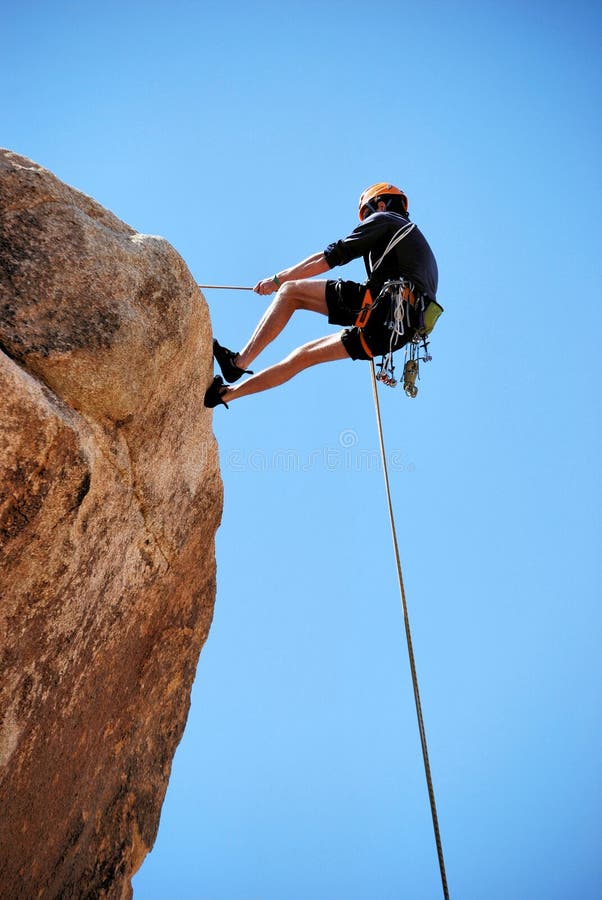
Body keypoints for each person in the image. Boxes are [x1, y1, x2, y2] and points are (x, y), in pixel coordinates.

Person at [204, 182, 439, 408]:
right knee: (303, 356)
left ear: (380, 204)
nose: (366, 221)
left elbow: (330, 257)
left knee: (290, 292)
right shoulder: (418, 251)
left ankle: (238, 363)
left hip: (383, 310)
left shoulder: (385, 219)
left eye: (367, 214)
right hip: (393, 334)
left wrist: (277, 280)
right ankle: (225, 395)